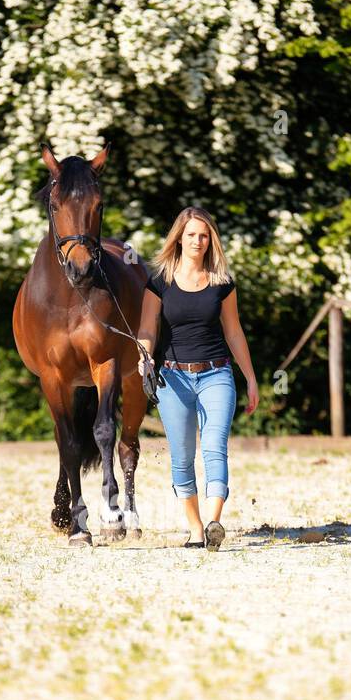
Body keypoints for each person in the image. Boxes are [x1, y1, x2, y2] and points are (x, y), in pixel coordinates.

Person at [137, 206, 259, 549]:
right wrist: (144, 358)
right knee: (181, 455)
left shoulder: (222, 283)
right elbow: (147, 328)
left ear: (211, 240)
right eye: (191, 234)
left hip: (216, 373)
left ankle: (215, 521)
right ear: (179, 237)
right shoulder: (159, 281)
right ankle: (195, 528)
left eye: (204, 235)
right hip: (173, 379)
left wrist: (249, 377)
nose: (197, 241)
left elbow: (234, 333)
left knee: (214, 447)